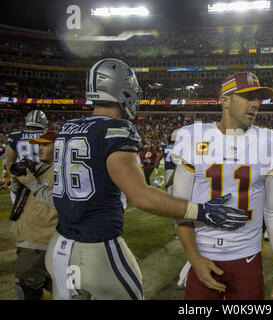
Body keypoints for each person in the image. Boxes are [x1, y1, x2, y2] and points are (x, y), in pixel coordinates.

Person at [45, 58, 248, 300]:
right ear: (122, 89)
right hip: (97, 251)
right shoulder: (116, 129)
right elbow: (140, 196)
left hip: (58, 247)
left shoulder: (68, 128)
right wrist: (200, 210)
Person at [172, 71, 273, 300]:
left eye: (258, 98)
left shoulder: (270, 142)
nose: (256, 104)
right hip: (203, 254)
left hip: (248, 256)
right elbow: (179, 208)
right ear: (224, 100)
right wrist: (194, 258)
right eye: (248, 96)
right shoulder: (193, 137)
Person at [9, 130, 58, 300]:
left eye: (45, 144)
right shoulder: (37, 168)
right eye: (39, 145)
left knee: (28, 291)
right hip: (28, 239)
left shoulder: (62, 172)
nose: (40, 149)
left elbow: (58, 202)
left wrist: (32, 183)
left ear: (58, 146)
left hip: (40, 242)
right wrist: (16, 182)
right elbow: (20, 194)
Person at [6, 110, 48, 203]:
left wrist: (13, 180)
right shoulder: (50, 136)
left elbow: (9, 163)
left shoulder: (15, 136)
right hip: (44, 180)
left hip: (23, 179)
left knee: (20, 215)